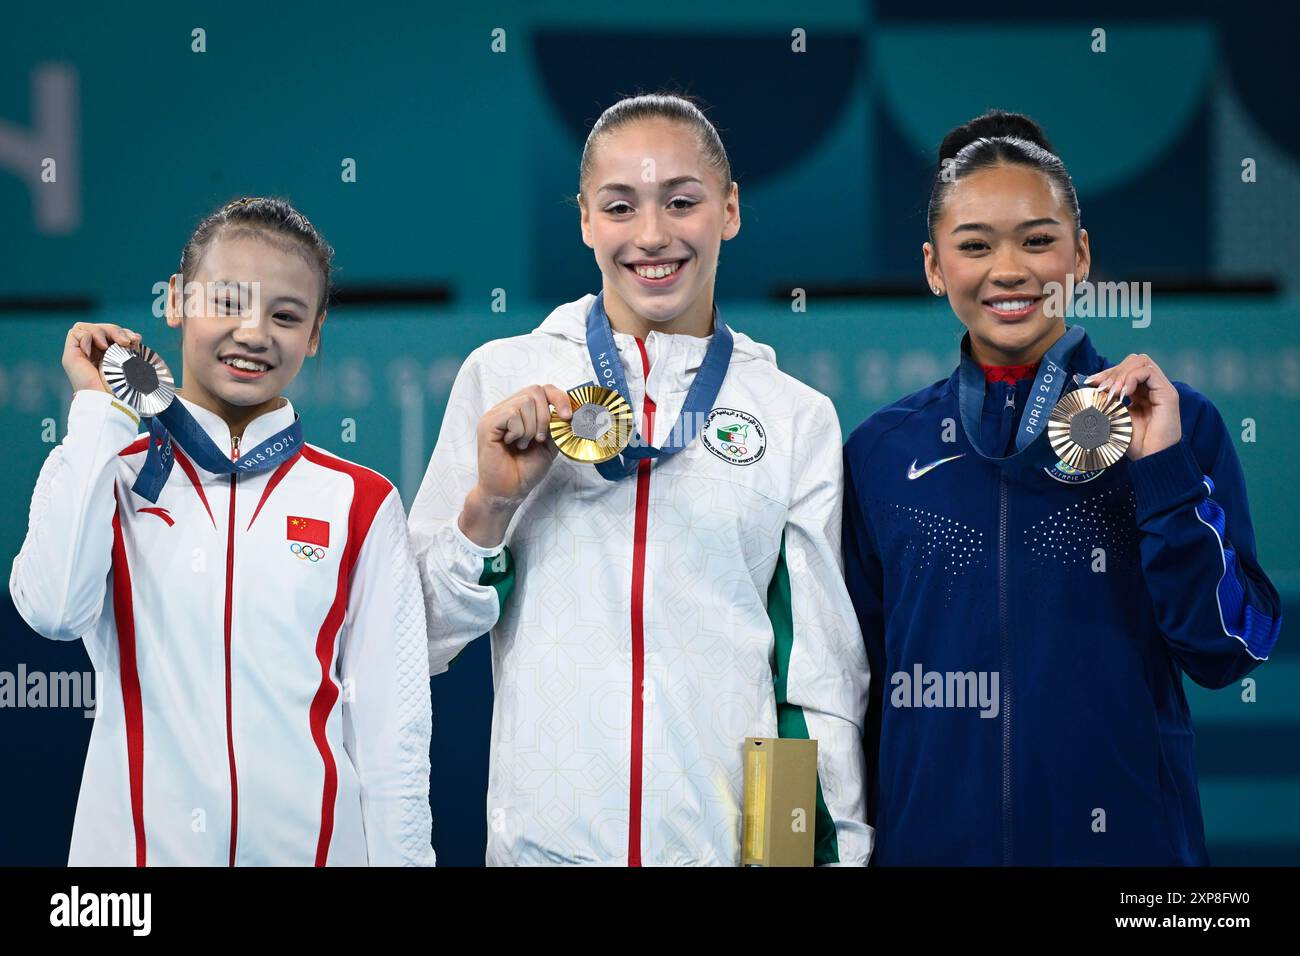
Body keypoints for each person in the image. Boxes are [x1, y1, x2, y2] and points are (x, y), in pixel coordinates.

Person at [409, 93, 871, 866]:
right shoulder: (503, 376)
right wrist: (488, 505)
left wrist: (837, 852)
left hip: (722, 851)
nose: (652, 235)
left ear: (728, 210)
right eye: (620, 207)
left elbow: (819, 670)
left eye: (682, 202)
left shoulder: (793, 416)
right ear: (586, 219)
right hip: (543, 850)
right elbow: (417, 635)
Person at [842, 110, 1282, 865]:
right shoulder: (883, 450)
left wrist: (1164, 472)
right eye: (974, 245)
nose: (1009, 269)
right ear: (933, 266)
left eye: (1037, 240)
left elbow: (1228, 649)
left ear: (1080, 255)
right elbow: (853, 684)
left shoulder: (1177, 423)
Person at [10, 197, 435, 867]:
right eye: (229, 303)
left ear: (316, 333)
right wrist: (98, 411)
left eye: (286, 315)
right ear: (176, 300)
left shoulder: (361, 502)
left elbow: (394, 740)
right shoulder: (107, 473)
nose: (255, 333)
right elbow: (55, 611)